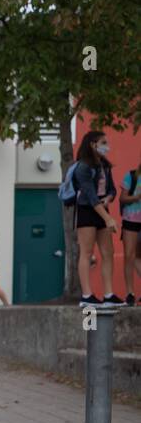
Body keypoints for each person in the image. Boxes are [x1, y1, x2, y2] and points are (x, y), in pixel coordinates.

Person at [72, 130, 123, 307]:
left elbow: (112, 190)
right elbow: (90, 196)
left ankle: (108, 295)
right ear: (93, 144)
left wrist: (108, 198)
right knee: (86, 252)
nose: (106, 146)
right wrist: (108, 218)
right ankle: (87, 296)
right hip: (87, 210)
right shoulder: (83, 167)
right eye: (103, 143)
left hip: (103, 208)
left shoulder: (104, 165)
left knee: (108, 252)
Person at [120, 158, 141, 306]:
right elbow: (122, 198)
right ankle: (130, 293)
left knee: (137, 257)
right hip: (131, 220)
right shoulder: (132, 176)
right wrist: (136, 197)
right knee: (129, 255)